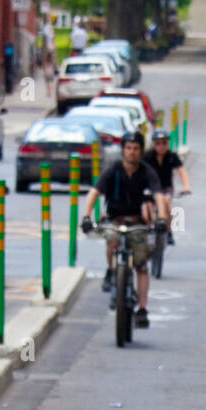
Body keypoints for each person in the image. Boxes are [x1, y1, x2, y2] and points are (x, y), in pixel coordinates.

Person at [80, 131, 167, 326]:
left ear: (140, 150)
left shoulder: (147, 172)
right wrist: (86, 216)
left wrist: (161, 219)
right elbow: (94, 191)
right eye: (128, 148)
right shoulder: (113, 170)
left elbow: (159, 195)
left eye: (136, 148)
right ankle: (112, 271)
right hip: (115, 220)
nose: (132, 152)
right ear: (123, 150)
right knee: (111, 238)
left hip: (137, 223)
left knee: (142, 266)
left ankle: (142, 308)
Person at [144, 129, 190, 245]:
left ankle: (169, 232)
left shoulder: (172, 156)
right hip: (150, 188)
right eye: (158, 143)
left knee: (165, 204)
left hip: (166, 188)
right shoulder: (147, 157)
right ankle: (147, 230)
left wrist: (186, 186)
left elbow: (181, 171)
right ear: (153, 144)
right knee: (146, 208)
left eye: (164, 143)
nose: (161, 146)